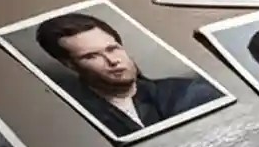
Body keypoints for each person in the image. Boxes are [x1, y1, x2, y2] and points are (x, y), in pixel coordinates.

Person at [35, 12, 225, 137]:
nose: (112, 61)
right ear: (70, 65)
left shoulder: (187, 92)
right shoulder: (73, 123)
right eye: (92, 56)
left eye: (113, 49)